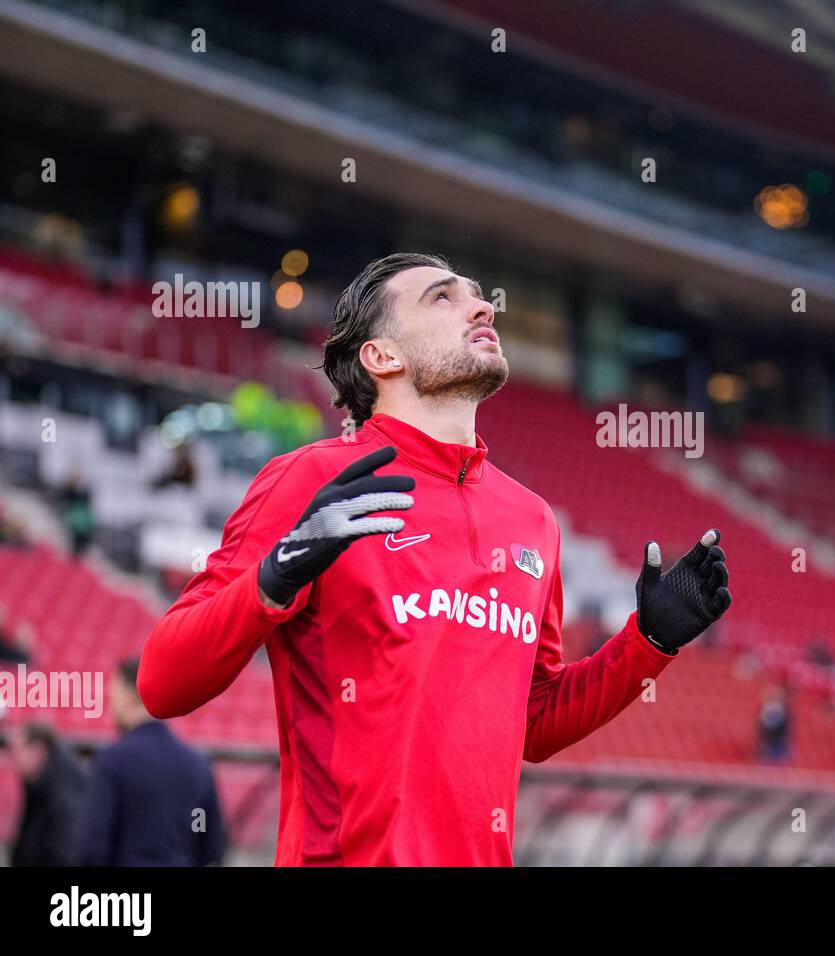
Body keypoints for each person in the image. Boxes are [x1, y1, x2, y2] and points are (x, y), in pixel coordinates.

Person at [137, 253, 733, 866]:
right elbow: (162, 683)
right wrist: (276, 574)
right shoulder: (312, 480)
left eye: (479, 295)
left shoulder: (532, 519)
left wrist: (648, 642)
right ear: (382, 356)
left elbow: (533, 721)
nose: (483, 307)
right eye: (443, 298)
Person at [80, 659, 225, 866]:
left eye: (113, 693)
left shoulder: (113, 761)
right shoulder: (197, 764)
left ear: (128, 693)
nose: (111, 703)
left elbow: (93, 847)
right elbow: (208, 841)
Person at [7, 723, 87, 866]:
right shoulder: (37, 784)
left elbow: (64, 852)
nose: (11, 757)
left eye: (16, 750)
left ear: (37, 751)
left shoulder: (62, 794)